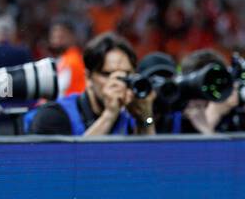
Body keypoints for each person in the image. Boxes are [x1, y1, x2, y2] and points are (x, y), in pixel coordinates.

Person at [27, 32, 155, 136]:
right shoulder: (54, 115)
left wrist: (146, 118)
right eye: (107, 74)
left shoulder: (131, 114)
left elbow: (153, 163)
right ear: (88, 78)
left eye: (127, 75)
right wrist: (109, 115)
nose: (118, 82)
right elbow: (72, 165)